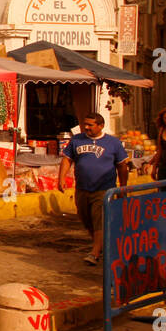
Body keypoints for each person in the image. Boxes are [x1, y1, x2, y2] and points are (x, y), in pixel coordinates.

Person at [58, 112, 130, 266]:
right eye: (85, 124)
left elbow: (122, 166)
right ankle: (102, 245)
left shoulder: (113, 143)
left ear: (101, 126)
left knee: (99, 220)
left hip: (104, 188)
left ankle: (95, 253)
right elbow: (67, 159)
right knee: (86, 219)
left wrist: (123, 187)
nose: (86, 127)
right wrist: (62, 178)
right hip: (82, 188)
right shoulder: (76, 140)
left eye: (90, 125)